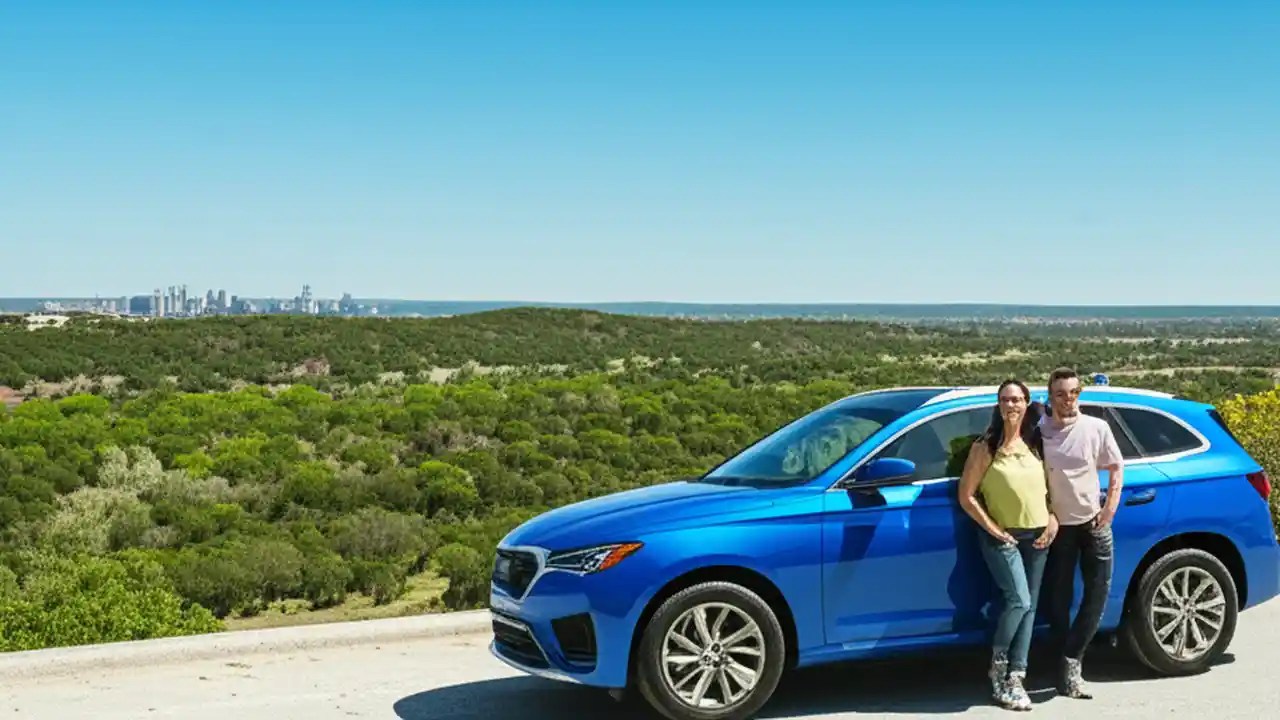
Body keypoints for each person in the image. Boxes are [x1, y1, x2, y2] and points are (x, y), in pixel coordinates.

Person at [959, 379, 1057, 711]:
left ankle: (1018, 675)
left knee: (1029, 608)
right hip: (1003, 537)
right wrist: (994, 529)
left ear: (1027, 404)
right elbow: (967, 496)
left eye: (1017, 399)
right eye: (1005, 399)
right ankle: (998, 668)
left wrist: (1053, 519)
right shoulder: (985, 447)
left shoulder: (1036, 443)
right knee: (1019, 599)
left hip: (1039, 536)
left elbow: (1051, 488)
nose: (1011, 405)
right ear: (998, 405)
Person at [1039, 367, 1124, 699]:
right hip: (1059, 528)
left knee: (1096, 598)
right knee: (1057, 601)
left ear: (1080, 394)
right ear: (1050, 396)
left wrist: (1110, 508)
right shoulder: (1040, 431)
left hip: (1093, 524)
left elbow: (1116, 467)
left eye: (1073, 392)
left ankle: (1072, 663)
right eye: (1060, 393)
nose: (1068, 399)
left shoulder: (1096, 428)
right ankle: (1058, 661)